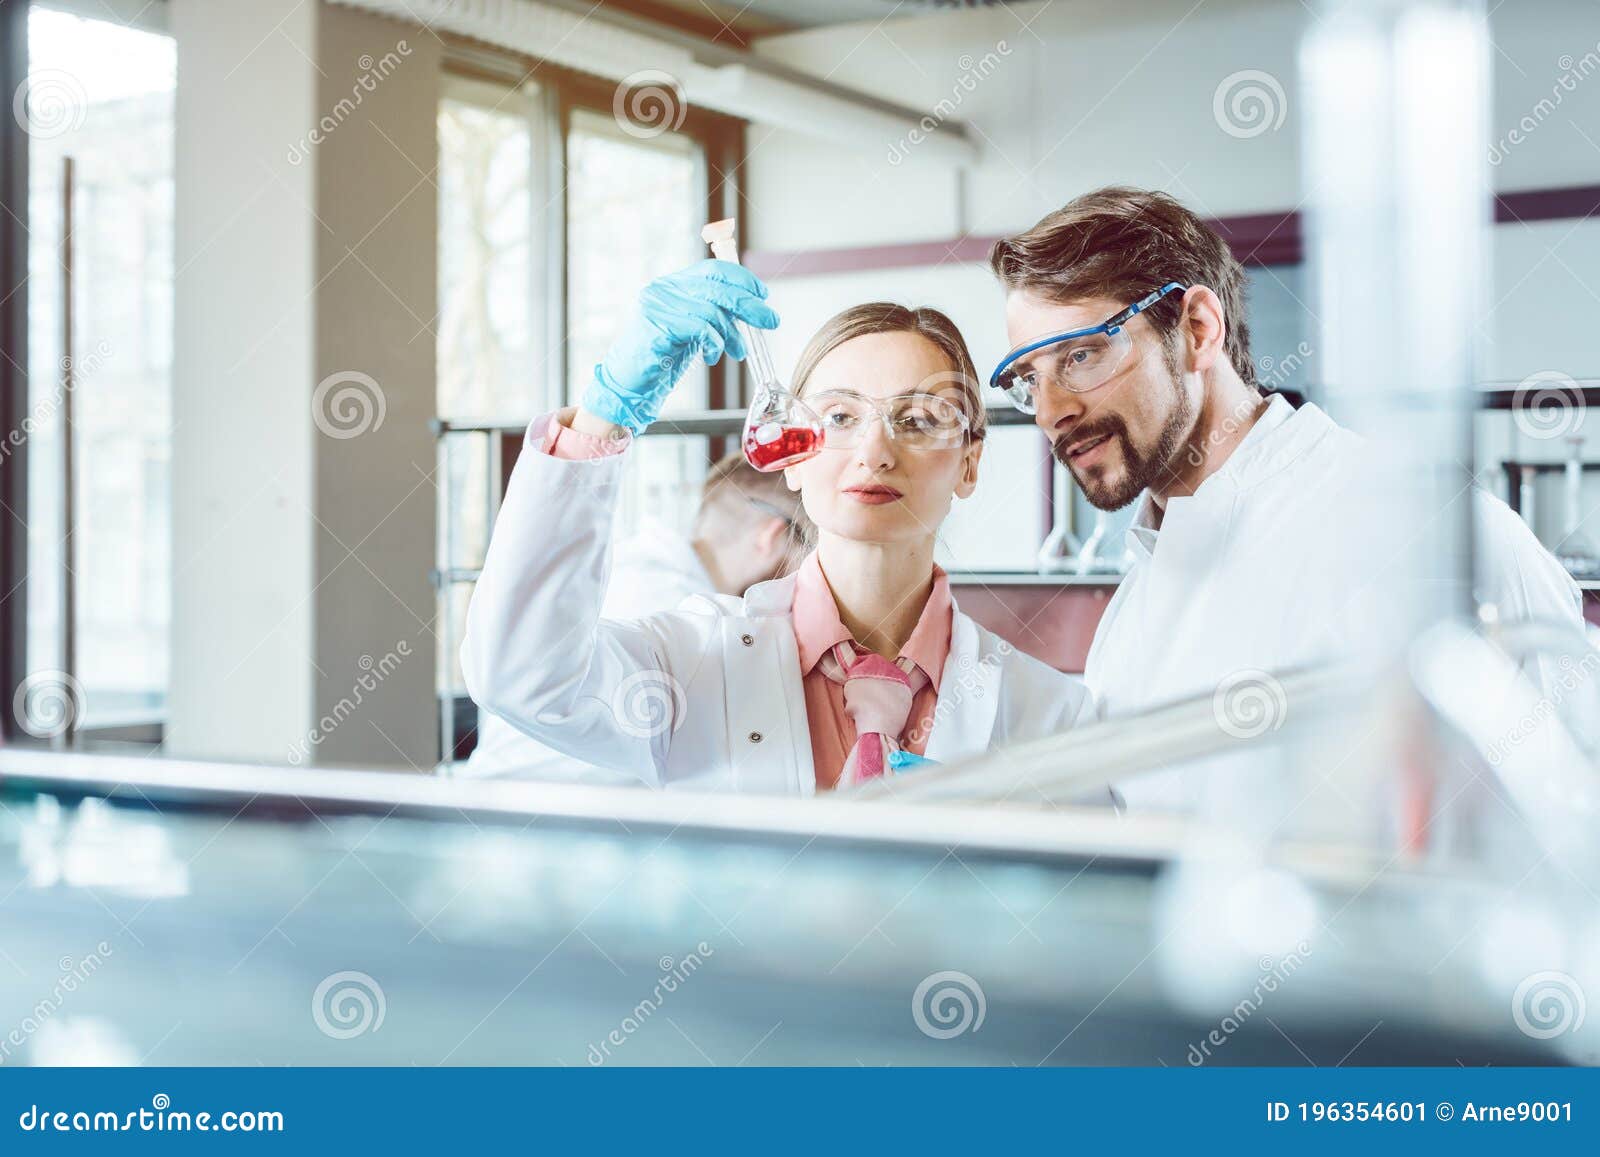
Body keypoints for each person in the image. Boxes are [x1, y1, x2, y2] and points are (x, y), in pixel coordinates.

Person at [986, 186, 1585, 810]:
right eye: (1031, 380)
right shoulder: (1139, 594)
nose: (1052, 412)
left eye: (1080, 355)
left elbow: (1570, 832)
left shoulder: (1425, 534)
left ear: (1197, 329)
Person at [462, 261, 1099, 794]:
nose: (874, 452)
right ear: (792, 457)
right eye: (841, 416)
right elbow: (523, 676)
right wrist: (602, 418)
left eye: (920, 418)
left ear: (970, 462)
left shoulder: (1045, 713)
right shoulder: (694, 666)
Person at [459, 450, 811, 783]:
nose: (806, 576)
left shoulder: (632, 565)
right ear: (772, 536)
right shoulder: (675, 612)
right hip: (542, 828)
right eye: (807, 554)